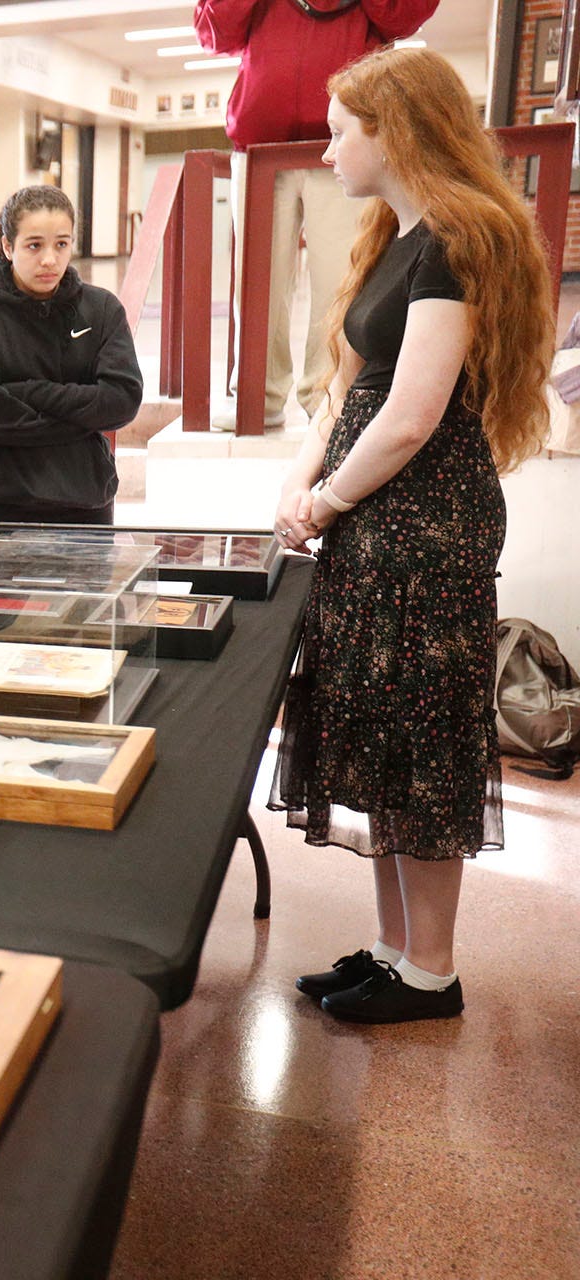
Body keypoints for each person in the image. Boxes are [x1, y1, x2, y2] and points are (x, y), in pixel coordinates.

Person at [270, 46, 551, 1024]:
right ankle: (395, 950)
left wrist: (324, 502)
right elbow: (347, 391)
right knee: (387, 733)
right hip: (375, 515)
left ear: (394, 132)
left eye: (340, 132)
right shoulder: (398, 235)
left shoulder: (459, 240)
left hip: (423, 523)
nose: (328, 150)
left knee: (423, 738)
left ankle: (431, 969)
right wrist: (299, 480)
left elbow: (410, 415)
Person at [195, 0, 438, 429]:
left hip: (348, 139)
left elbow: (403, 16)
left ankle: (330, 399)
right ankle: (256, 395)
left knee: (342, 280)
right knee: (256, 280)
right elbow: (214, 32)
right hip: (259, 143)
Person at [0, 184, 143, 525]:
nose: (49, 259)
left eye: (61, 244)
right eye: (34, 245)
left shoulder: (102, 309)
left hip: (86, 500)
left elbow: (122, 400)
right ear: (8, 246)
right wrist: (81, 420)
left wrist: (27, 392)